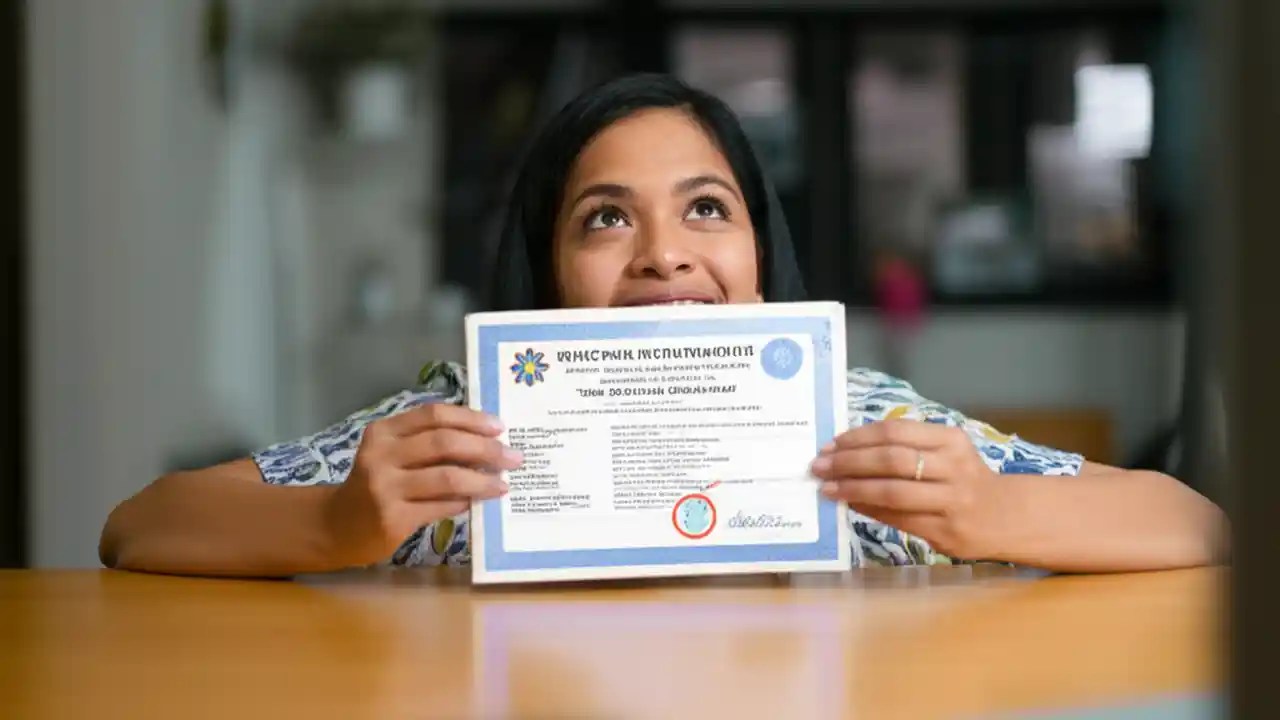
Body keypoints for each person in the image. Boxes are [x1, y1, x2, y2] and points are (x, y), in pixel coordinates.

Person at [99, 73, 1227, 578]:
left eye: (706, 208)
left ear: (758, 253)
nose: (663, 253)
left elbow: (1195, 524)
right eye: (604, 217)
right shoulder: (457, 441)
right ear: (546, 269)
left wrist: (992, 510)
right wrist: (335, 522)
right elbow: (138, 527)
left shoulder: (857, 432)